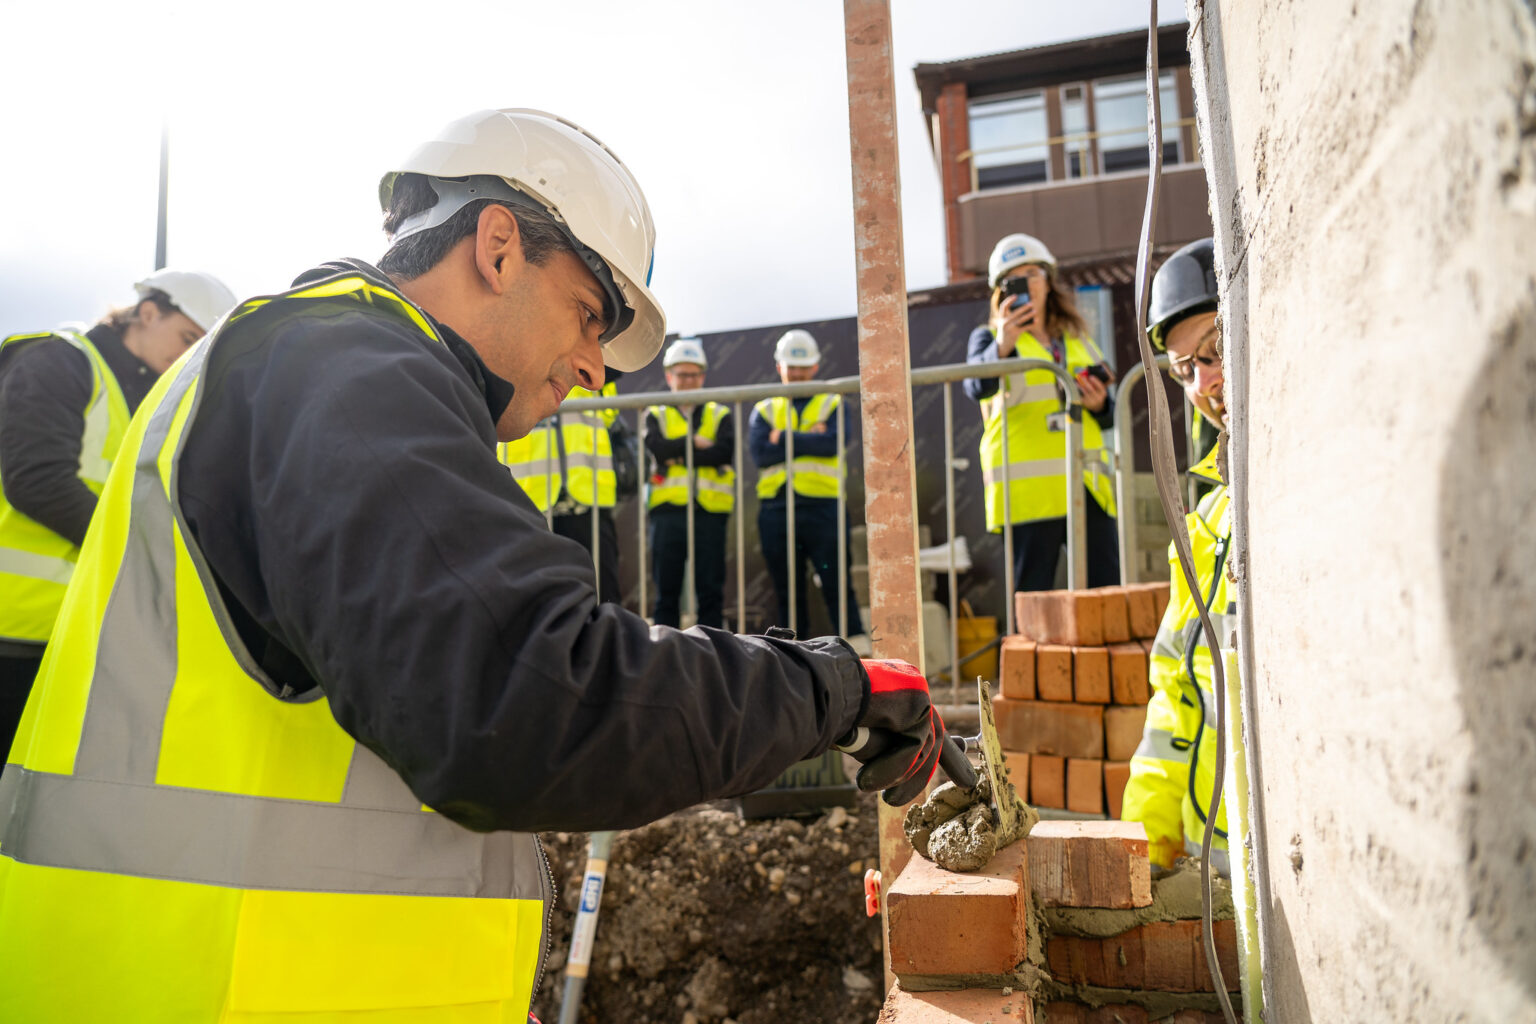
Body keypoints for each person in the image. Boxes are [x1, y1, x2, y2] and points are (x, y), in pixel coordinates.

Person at [0, 108, 954, 1022]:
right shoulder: (342, 367)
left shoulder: (318, 367)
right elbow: (534, 701)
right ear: (497, 246)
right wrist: (834, 687)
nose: (595, 371)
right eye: (589, 316)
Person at [0, 268, 235, 756]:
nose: (187, 355)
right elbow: (36, 481)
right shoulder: (59, 361)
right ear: (147, 313)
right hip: (10, 632)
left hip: (63, 635)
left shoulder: (143, 403)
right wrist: (144, 551)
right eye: (187, 337)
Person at [1119, 237, 1236, 876]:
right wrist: (1146, 848)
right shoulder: (1204, 530)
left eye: (1215, 351)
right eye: (1185, 368)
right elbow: (1175, 705)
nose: (1203, 383)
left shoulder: (1303, 502)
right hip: (1217, 880)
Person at [963, 232, 1120, 591]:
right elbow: (975, 387)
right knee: (1034, 603)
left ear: (1049, 280)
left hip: (1087, 486)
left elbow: (1106, 415)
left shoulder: (1077, 338)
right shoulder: (987, 338)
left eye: (1032, 272)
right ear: (999, 292)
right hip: (1028, 496)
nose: (1025, 284)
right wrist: (1004, 343)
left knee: (1105, 590)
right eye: (1011, 279)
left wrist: (1098, 403)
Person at [748, 329, 869, 652]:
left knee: (838, 585)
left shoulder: (833, 402)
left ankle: (860, 657)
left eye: (803, 367)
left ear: (816, 367)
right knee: (788, 590)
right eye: (792, 367)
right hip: (776, 510)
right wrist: (807, 439)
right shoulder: (764, 409)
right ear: (779, 368)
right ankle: (794, 659)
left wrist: (782, 437)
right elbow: (761, 453)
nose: (798, 373)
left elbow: (831, 444)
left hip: (823, 509)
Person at [498, 374, 630, 603]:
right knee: (539, 599)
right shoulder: (513, 357)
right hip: (531, 502)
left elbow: (610, 414)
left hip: (586, 496)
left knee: (603, 593)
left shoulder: (584, 358)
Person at [644, 337, 734, 629]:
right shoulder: (654, 413)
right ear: (669, 376)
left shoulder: (719, 413)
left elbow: (723, 452)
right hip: (667, 512)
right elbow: (657, 448)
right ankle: (663, 656)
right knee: (666, 592)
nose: (688, 380)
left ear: (703, 376)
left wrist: (677, 453)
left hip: (709, 511)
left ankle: (713, 657)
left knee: (710, 590)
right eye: (681, 374)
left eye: (693, 374)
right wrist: (694, 444)